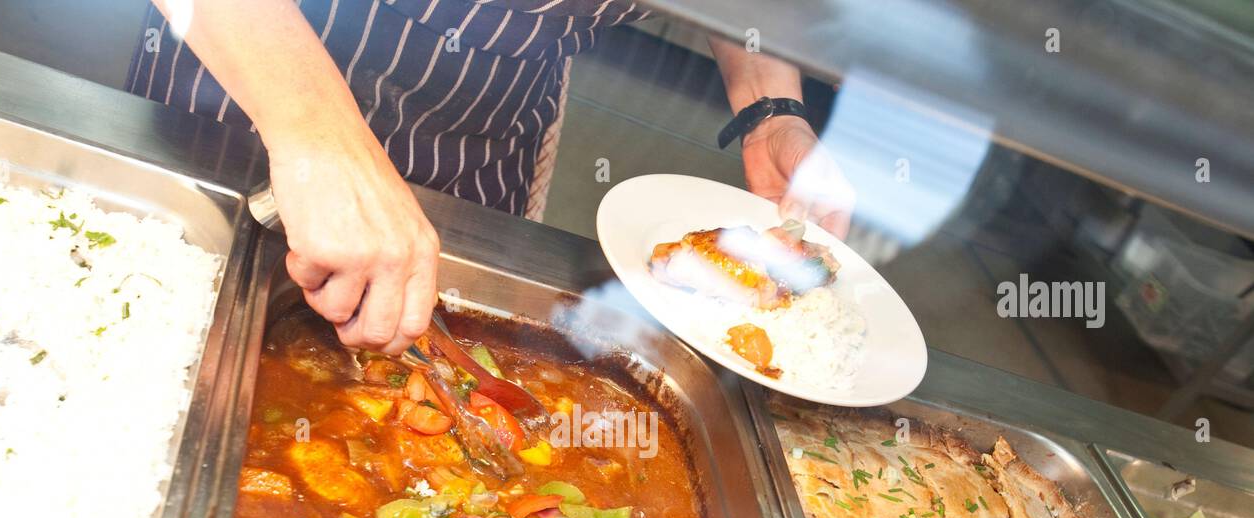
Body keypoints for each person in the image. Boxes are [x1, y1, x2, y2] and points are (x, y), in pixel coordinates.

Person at [131, 0, 852, 352]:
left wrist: (771, 106)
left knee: (417, 345)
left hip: (490, 116)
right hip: (258, 58)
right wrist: (315, 135)